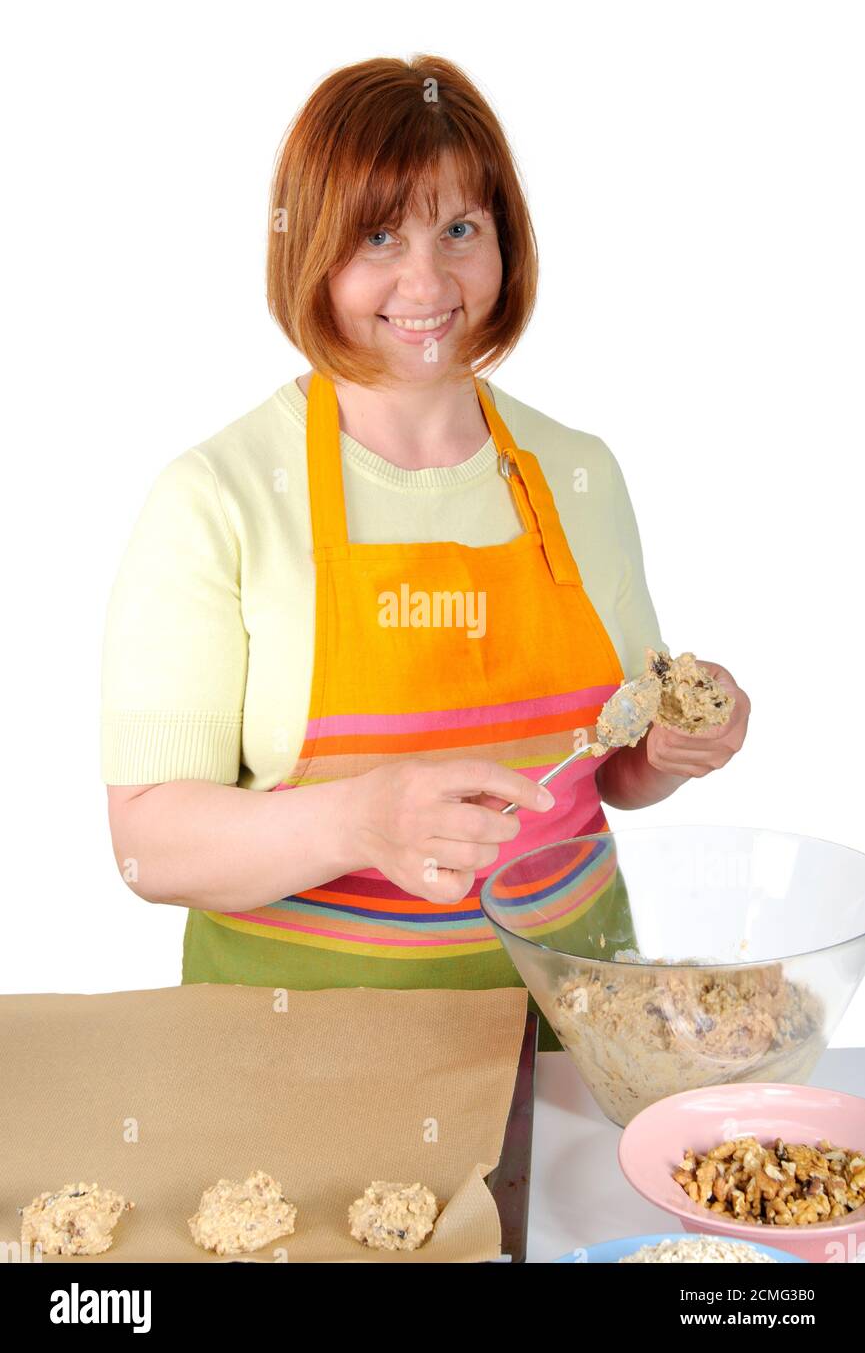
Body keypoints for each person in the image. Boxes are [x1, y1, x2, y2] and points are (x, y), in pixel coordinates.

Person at [101, 55, 750, 1051]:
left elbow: (607, 768)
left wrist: (669, 754)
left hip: (571, 1039)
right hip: (297, 1064)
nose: (427, 281)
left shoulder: (574, 474)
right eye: (377, 236)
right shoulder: (218, 498)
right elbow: (147, 845)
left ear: (504, 241)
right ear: (310, 251)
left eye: (459, 230)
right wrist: (355, 821)